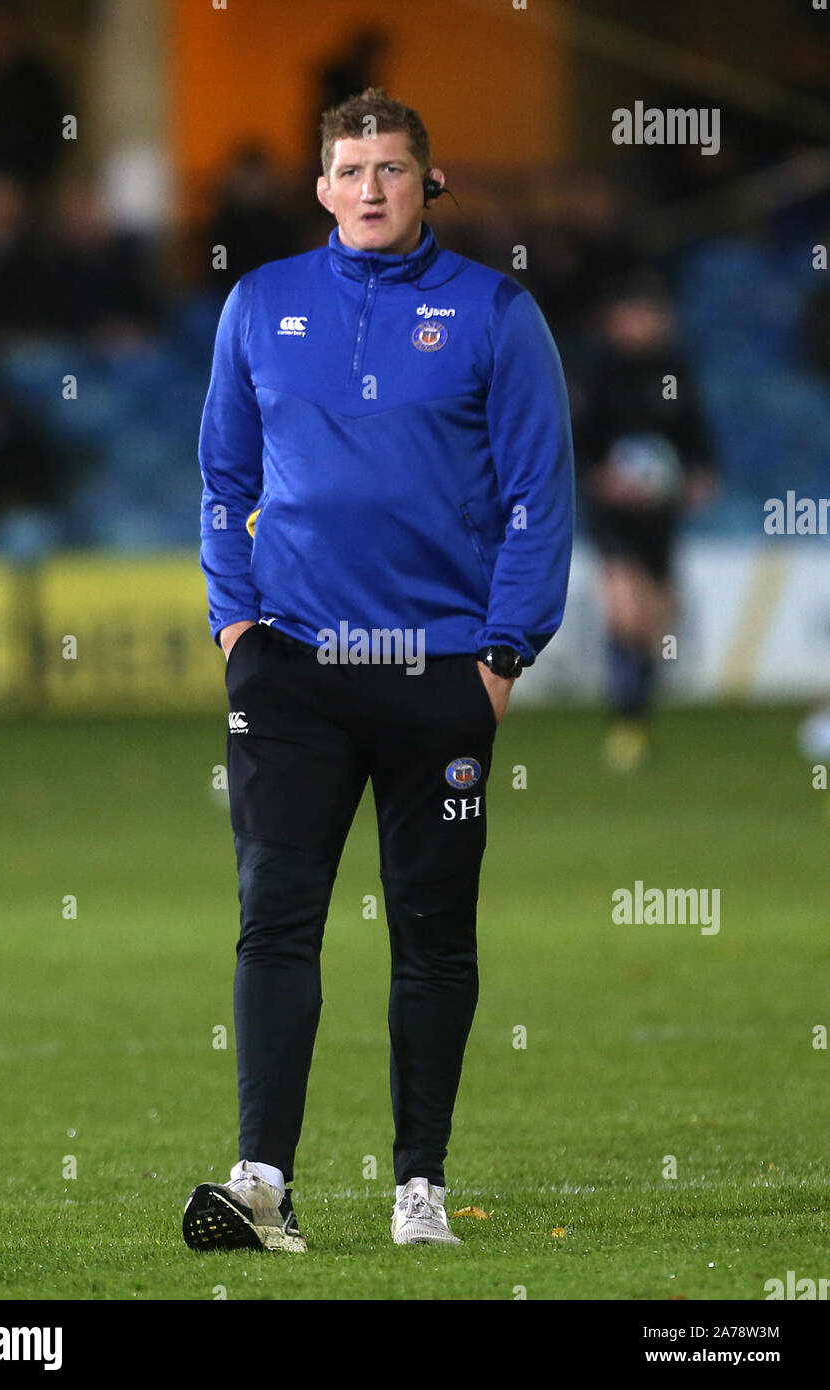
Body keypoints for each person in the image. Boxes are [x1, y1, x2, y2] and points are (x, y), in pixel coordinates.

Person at [184, 88, 574, 1253]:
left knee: (433, 932)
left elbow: (538, 498)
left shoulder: (496, 313)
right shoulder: (260, 304)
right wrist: (235, 635)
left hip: (438, 671)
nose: (369, 187)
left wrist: (502, 658)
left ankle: (420, 1189)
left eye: (392, 169)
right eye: (349, 169)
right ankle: (262, 1185)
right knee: (274, 922)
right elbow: (221, 482)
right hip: (292, 675)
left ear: (427, 183)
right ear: (319, 187)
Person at [572, 272, 717, 770]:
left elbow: (696, 434)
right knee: (625, 607)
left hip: (661, 513)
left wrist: (700, 473)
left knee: (657, 618)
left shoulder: (674, 370)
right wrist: (603, 476)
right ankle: (625, 722)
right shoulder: (596, 373)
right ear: (617, 319)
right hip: (614, 514)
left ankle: (638, 719)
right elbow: (578, 441)